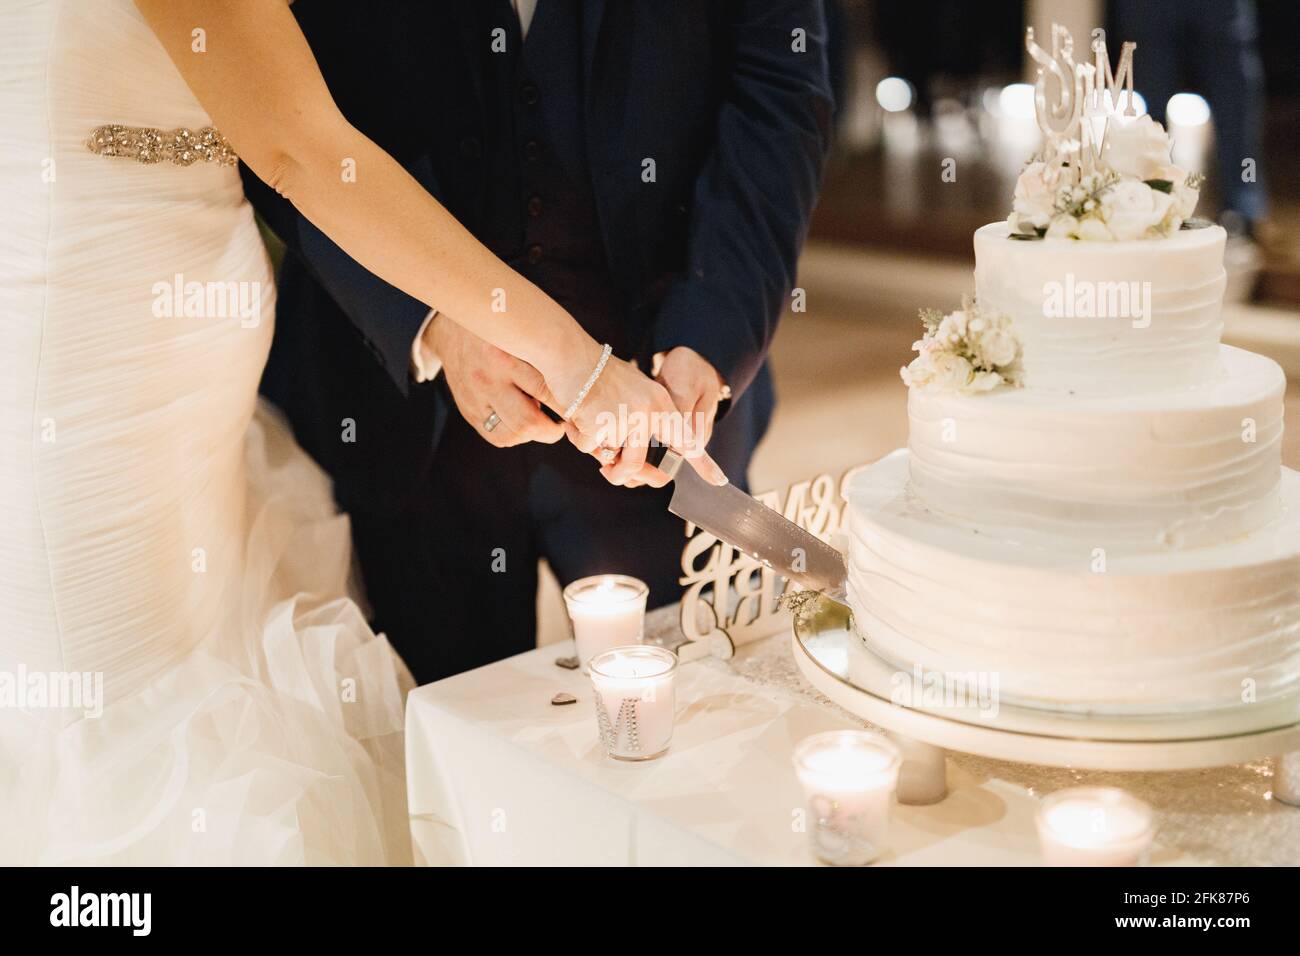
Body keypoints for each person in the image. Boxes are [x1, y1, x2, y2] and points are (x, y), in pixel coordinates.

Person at [0, 0, 724, 865]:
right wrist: (575, 360)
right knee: (111, 706)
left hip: (185, 374)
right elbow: (300, 145)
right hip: (86, 359)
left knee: (197, 666)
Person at [244, 0, 835, 683]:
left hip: (658, 410)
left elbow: (779, 89)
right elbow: (272, 120)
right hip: (393, 410)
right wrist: (429, 319)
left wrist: (709, 332)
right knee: (436, 737)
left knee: (694, 721)